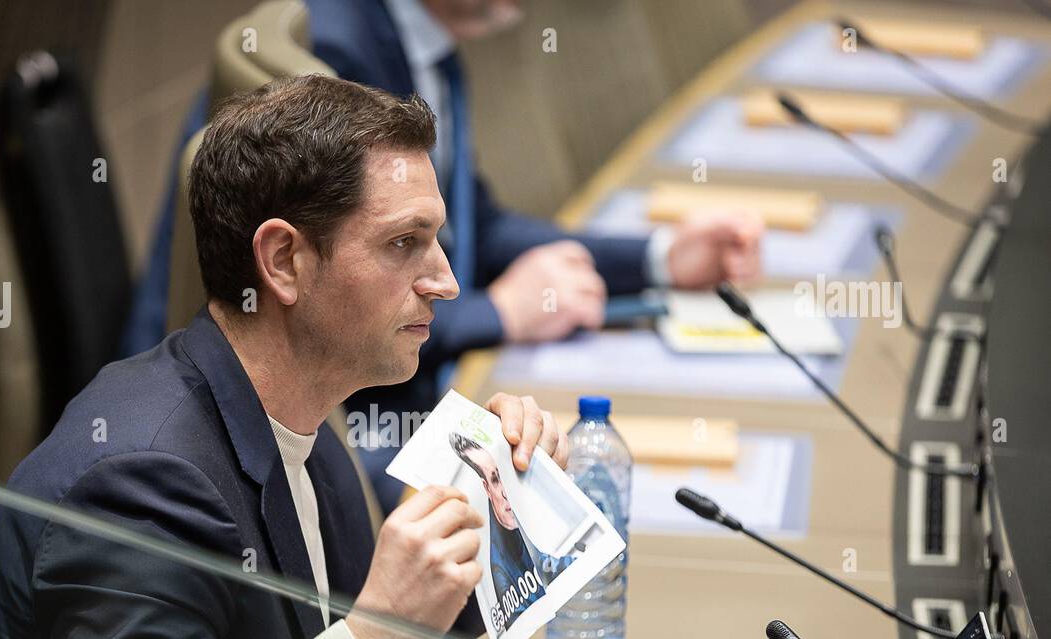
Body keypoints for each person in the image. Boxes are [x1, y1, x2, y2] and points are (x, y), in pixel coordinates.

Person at [0, 74, 567, 639]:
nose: (446, 282)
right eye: (402, 244)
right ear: (283, 261)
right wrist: (375, 637)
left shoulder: (294, 414)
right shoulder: (143, 479)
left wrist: (492, 543)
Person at [122, 0, 762, 510]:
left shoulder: (424, 40)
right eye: (409, 242)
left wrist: (659, 257)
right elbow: (338, 288)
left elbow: (473, 225)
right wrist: (503, 313)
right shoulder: (339, 53)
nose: (447, 278)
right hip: (341, 424)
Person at [449, 431, 568, 635]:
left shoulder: (520, 525)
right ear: (486, 489)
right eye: (496, 480)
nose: (505, 491)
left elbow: (547, 564)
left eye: (504, 475)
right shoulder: (496, 568)